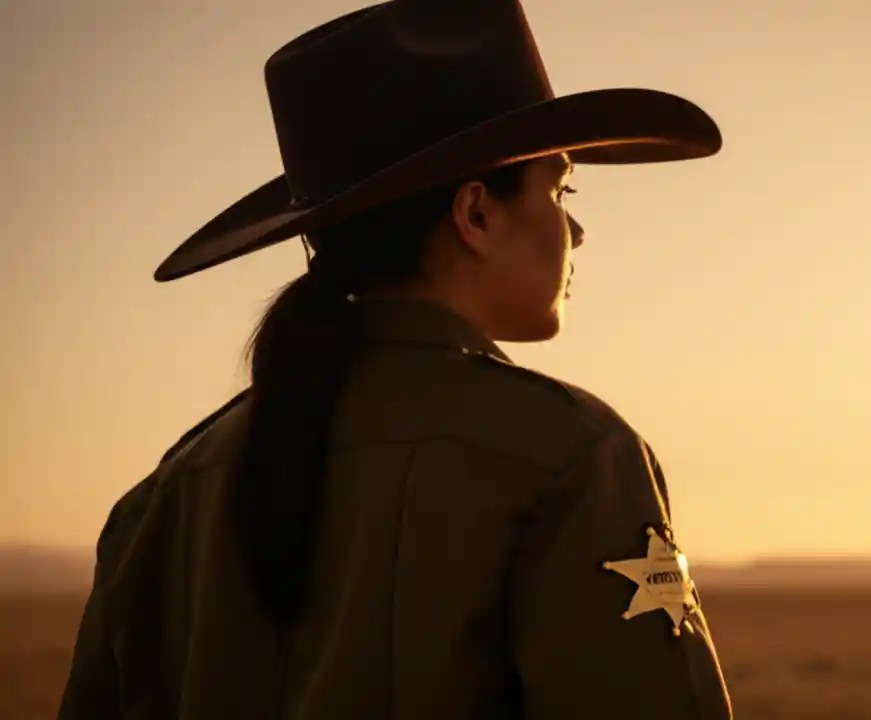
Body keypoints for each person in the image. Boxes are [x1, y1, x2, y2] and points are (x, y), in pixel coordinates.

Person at [56, 1, 732, 718]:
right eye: (559, 189)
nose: (577, 229)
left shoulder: (167, 492)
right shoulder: (571, 458)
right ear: (475, 213)